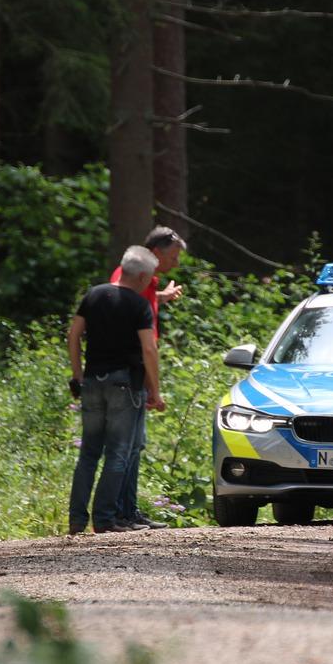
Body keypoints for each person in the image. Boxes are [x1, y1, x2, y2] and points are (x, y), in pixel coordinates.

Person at [66, 246, 166, 535]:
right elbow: (149, 348)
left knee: (88, 453)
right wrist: (155, 392)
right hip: (125, 384)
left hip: (92, 382)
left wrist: (77, 375)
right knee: (119, 453)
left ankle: (76, 519)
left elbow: (73, 335)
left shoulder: (93, 295)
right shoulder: (138, 305)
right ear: (144, 276)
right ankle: (105, 518)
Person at [109, 225, 185, 530]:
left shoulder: (148, 283)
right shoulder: (128, 278)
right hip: (127, 373)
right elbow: (121, 309)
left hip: (135, 373)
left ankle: (128, 511)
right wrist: (154, 387)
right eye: (174, 256)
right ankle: (116, 514)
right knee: (124, 446)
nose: (176, 264)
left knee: (135, 445)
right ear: (156, 254)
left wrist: (162, 296)